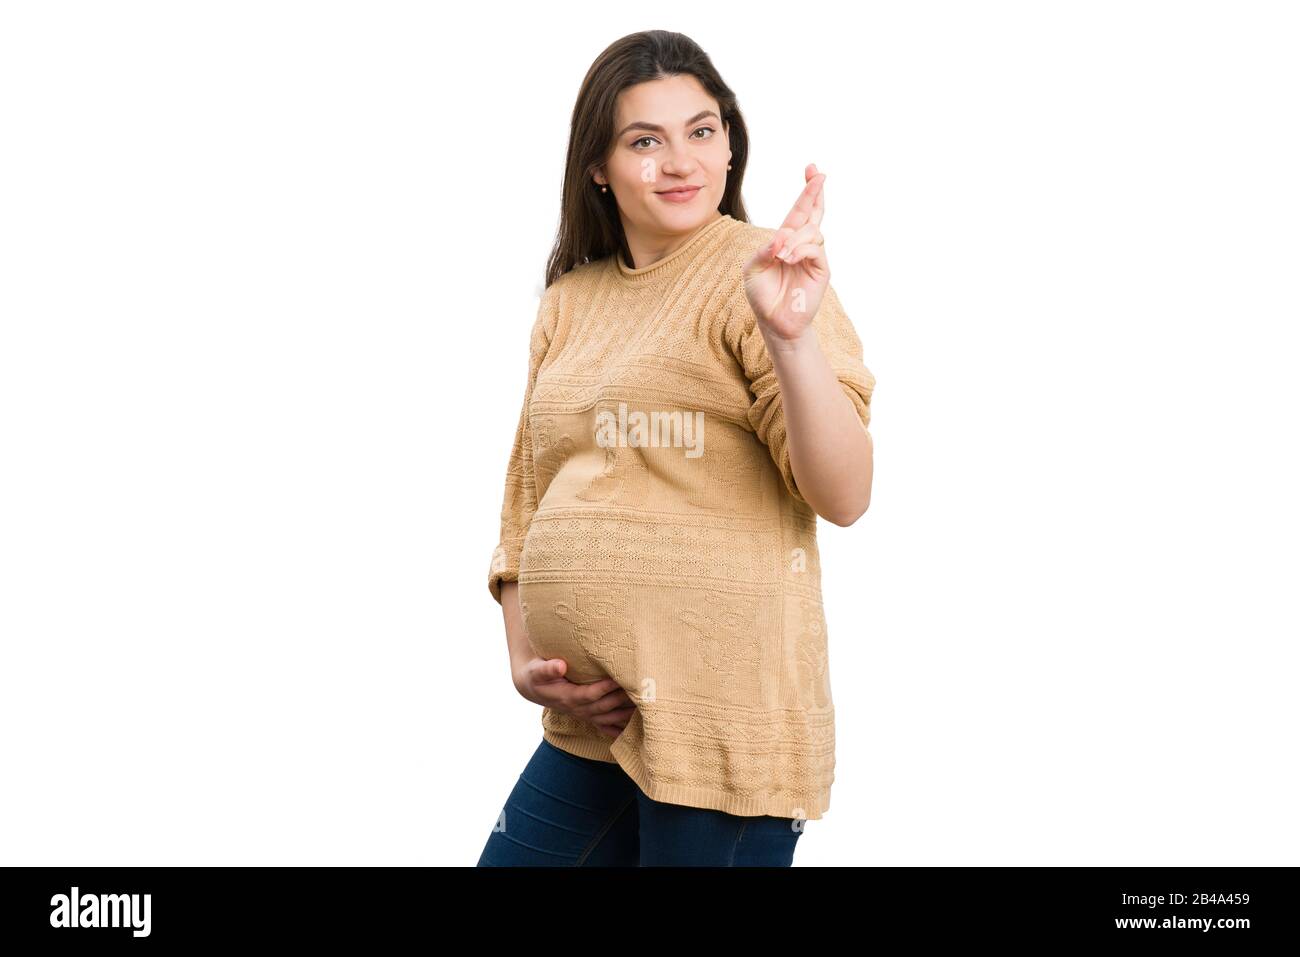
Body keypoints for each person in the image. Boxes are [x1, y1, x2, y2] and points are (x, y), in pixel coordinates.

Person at [478, 30, 876, 867]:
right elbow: (527, 496)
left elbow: (843, 494)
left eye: (702, 130)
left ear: (730, 142)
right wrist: (524, 654)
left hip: (721, 729)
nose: (680, 161)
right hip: (595, 725)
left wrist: (790, 338)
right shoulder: (570, 300)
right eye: (645, 140)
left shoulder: (766, 274)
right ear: (598, 165)